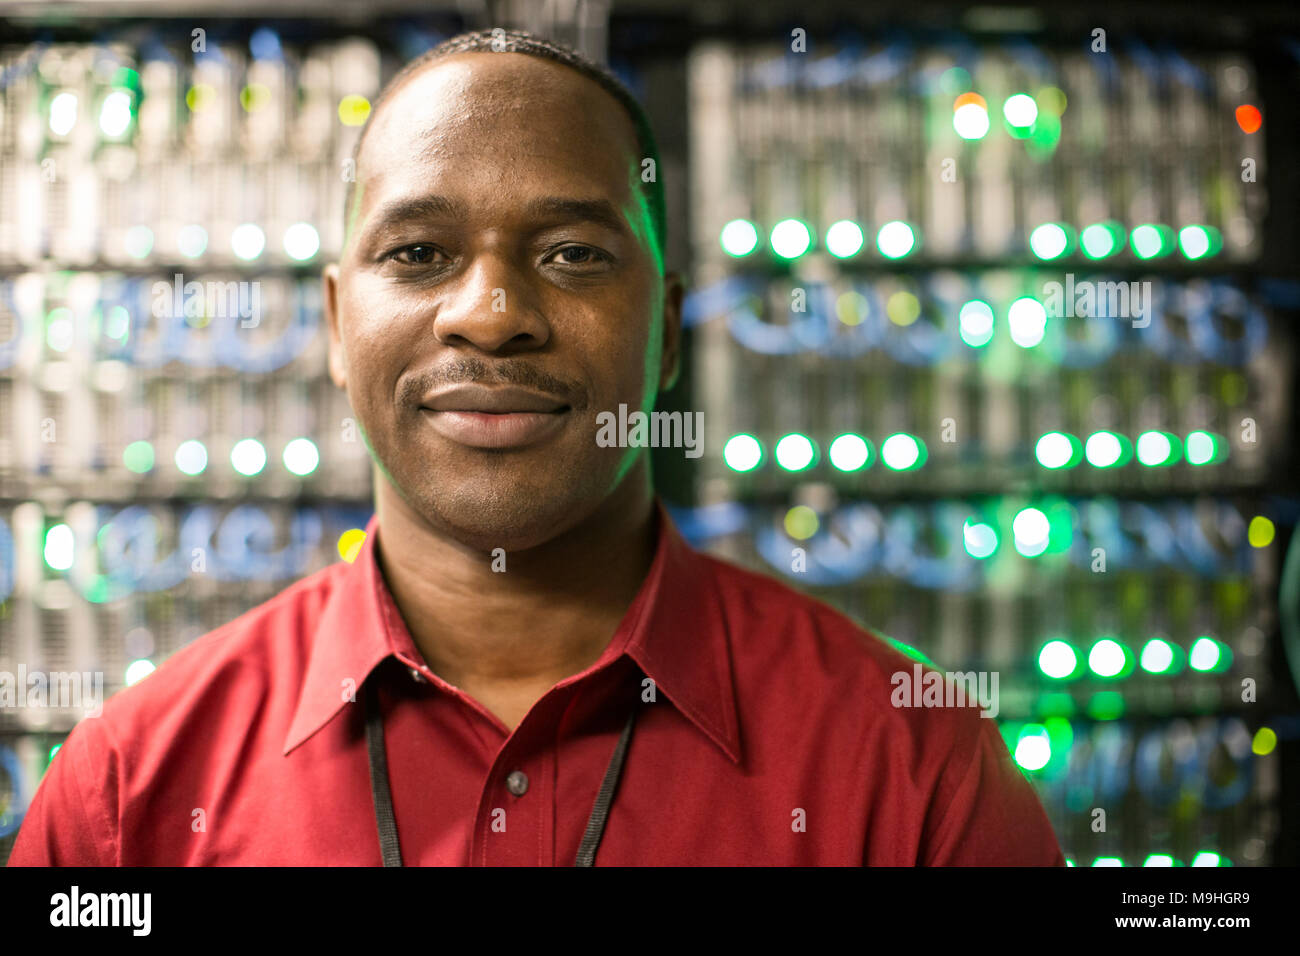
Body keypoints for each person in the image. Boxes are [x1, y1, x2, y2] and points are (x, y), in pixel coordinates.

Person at [7, 29, 1064, 866]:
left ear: (665, 335)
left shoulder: (916, 766)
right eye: (418, 252)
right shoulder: (127, 790)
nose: (492, 313)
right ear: (335, 326)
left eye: (571, 252)